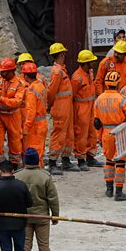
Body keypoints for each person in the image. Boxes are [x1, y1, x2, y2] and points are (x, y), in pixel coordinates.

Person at [92, 71, 126, 200]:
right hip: (120, 133)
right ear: (118, 84)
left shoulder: (98, 100)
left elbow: (97, 123)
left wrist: (99, 138)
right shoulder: (122, 99)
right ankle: (119, 191)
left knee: (109, 161)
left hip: (106, 133)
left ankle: (109, 189)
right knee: (121, 162)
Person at [0, 160, 33, 251]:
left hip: (2, 225)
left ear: (0, 171)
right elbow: (29, 203)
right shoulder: (21, 185)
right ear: (13, 171)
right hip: (19, 224)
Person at [17, 148, 59, 251]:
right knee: (44, 246)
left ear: (25, 161)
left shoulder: (18, 176)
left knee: (26, 245)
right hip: (42, 217)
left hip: (24, 217)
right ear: (37, 161)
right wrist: (55, 215)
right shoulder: (45, 176)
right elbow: (53, 198)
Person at [45, 43, 75, 174]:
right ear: (62, 54)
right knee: (58, 135)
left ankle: (66, 159)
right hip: (60, 108)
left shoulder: (61, 70)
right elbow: (51, 92)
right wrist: (50, 105)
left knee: (68, 134)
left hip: (65, 107)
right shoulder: (57, 72)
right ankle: (52, 163)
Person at [70, 50, 98, 172]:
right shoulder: (77, 77)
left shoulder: (89, 73)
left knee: (92, 132)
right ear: (86, 63)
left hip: (90, 106)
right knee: (81, 134)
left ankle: (90, 156)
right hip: (81, 108)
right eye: (91, 61)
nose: (93, 63)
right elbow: (73, 94)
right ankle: (81, 159)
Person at [20, 64, 48, 161]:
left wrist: (26, 128)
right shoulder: (41, 86)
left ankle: (36, 173)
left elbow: (31, 112)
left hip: (35, 127)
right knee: (40, 151)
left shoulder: (32, 90)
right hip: (42, 123)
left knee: (34, 152)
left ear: (26, 76)